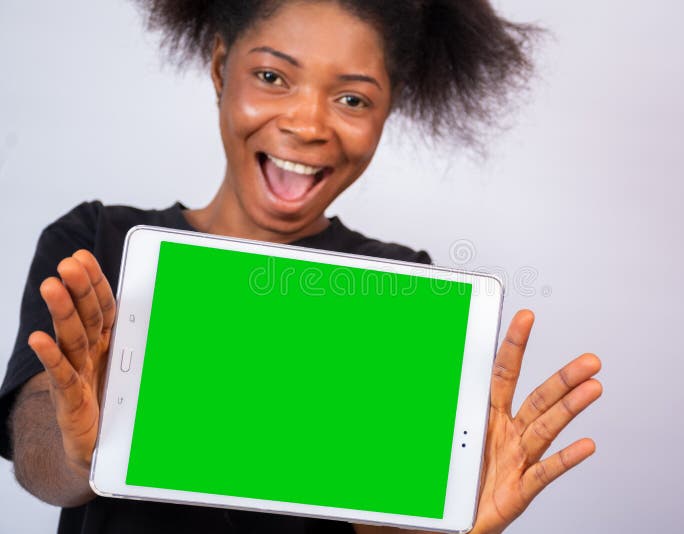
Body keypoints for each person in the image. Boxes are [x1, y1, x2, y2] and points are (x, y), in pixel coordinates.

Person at [0, 1, 603, 533]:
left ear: (387, 110)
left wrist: (441, 522)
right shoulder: (99, 244)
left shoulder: (401, 288)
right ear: (219, 67)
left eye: (352, 98)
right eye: (271, 76)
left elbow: (382, 516)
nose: (308, 125)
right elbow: (34, 454)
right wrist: (76, 448)